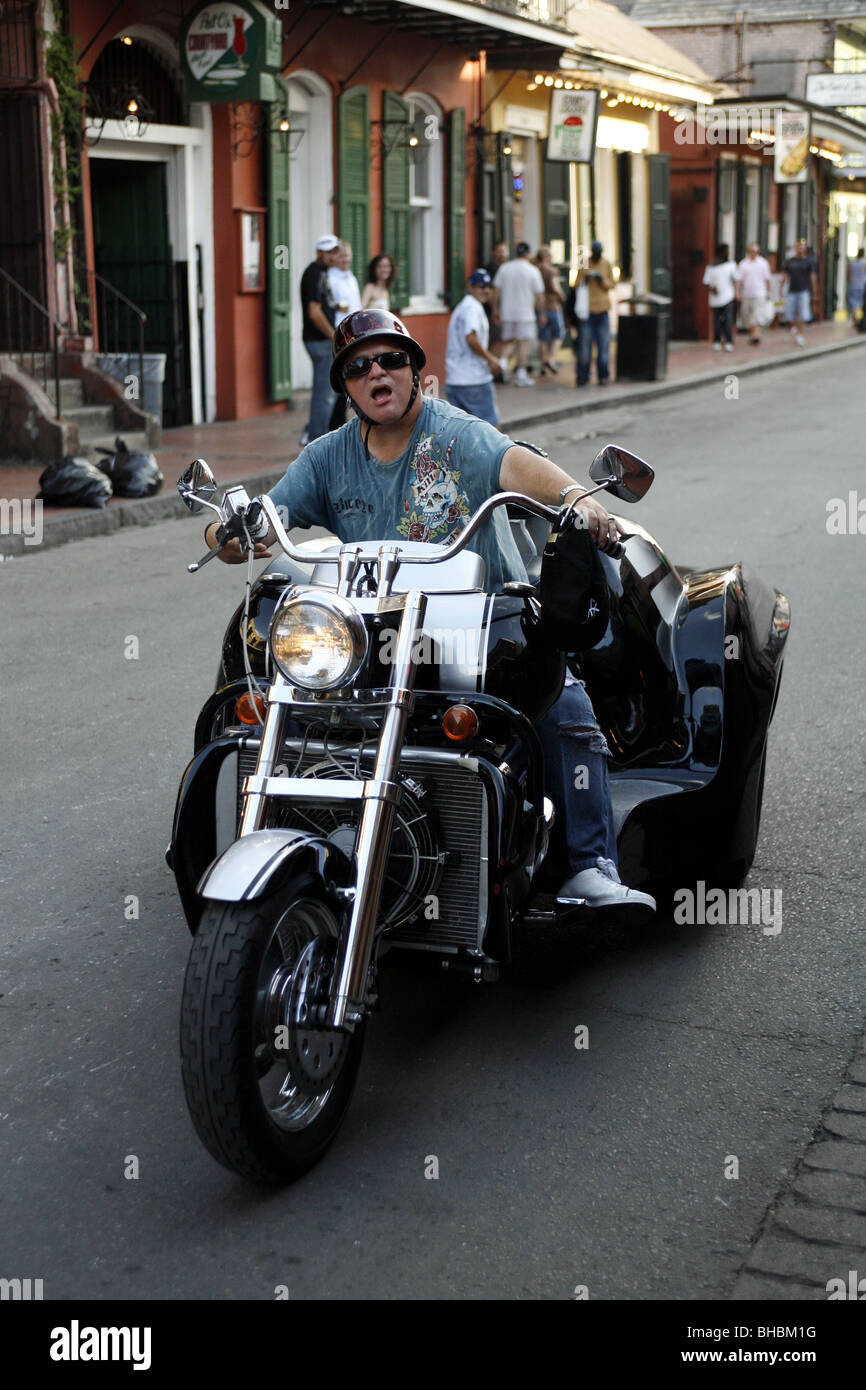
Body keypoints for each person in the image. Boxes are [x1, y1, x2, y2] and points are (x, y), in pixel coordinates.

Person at [206, 308, 656, 921]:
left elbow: (512, 464)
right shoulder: (327, 457)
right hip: (375, 634)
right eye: (359, 367)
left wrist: (574, 496)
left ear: (415, 369)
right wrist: (234, 531)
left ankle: (588, 864)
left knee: (563, 699)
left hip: (476, 626)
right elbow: (268, 519)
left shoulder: (454, 434)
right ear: (346, 386)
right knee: (269, 690)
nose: (377, 373)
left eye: (391, 359)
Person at [444, 269, 502, 427]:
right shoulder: (472, 308)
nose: (486, 290)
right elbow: (471, 338)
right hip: (474, 379)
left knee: (461, 435)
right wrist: (491, 359)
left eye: (489, 287)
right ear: (470, 287)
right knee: (492, 433)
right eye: (481, 286)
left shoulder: (463, 307)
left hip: (455, 379)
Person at [300, 233, 341, 442]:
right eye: (329, 253)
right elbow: (314, 312)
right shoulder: (314, 273)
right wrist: (334, 336)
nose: (333, 257)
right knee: (324, 395)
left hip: (321, 340)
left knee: (327, 393)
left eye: (335, 252)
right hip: (320, 341)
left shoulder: (322, 273)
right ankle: (317, 439)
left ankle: (316, 433)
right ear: (319, 253)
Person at [492, 241, 544, 387]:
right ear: (528, 254)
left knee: (508, 341)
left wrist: (495, 309)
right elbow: (539, 295)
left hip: (507, 312)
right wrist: (540, 313)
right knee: (522, 344)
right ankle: (521, 374)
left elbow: (496, 291)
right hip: (525, 313)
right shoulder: (533, 270)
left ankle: (501, 364)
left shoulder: (505, 268)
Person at [575, 240, 614, 386]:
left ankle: (603, 375)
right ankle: (582, 376)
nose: (597, 255)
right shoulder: (584, 263)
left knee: (604, 347)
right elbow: (576, 284)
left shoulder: (606, 263)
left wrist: (601, 280)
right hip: (587, 311)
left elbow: (612, 284)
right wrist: (586, 278)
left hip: (602, 310)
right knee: (585, 347)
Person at [534, 246, 566, 375]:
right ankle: (551, 359)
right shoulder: (551, 271)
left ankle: (543, 364)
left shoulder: (536, 270)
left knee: (542, 337)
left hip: (539, 307)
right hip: (552, 306)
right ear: (547, 257)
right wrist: (562, 296)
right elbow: (555, 286)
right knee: (559, 334)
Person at [781, 238, 818, 346]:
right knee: (790, 314)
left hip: (803, 291)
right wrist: (781, 288)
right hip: (792, 291)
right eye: (798, 246)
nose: (800, 248)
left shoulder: (808, 262)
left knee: (802, 314)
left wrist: (814, 292)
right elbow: (785, 275)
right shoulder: (790, 261)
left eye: (802, 246)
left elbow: (813, 277)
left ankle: (800, 335)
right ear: (795, 247)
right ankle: (794, 328)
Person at [702, 242, 737, 351]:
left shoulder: (711, 266)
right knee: (725, 320)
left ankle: (720, 341)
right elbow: (736, 278)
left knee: (720, 320)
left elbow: (706, 282)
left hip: (720, 298)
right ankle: (726, 342)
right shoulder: (729, 265)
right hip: (724, 297)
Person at [735, 242, 772, 345]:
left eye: (756, 251)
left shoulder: (763, 263)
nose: (754, 253)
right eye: (752, 251)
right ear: (748, 252)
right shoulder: (743, 264)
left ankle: (756, 336)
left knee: (757, 316)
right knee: (747, 316)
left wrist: (768, 292)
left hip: (760, 293)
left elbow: (767, 279)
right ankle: (752, 335)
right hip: (746, 294)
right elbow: (739, 280)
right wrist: (737, 292)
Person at [328, 241, 362, 328]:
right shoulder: (329, 278)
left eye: (347, 256)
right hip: (339, 328)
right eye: (340, 256)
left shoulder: (352, 278)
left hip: (355, 326)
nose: (345, 260)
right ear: (334, 258)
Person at [847, 248, 866, 323]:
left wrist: (850, 281)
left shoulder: (852, 263)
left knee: (853, 302)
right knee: (862, 302)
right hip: (862, 285)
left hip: (853, 284)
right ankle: (861, 319)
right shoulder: (864, 263)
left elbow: (848, 275)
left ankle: (854, 318)